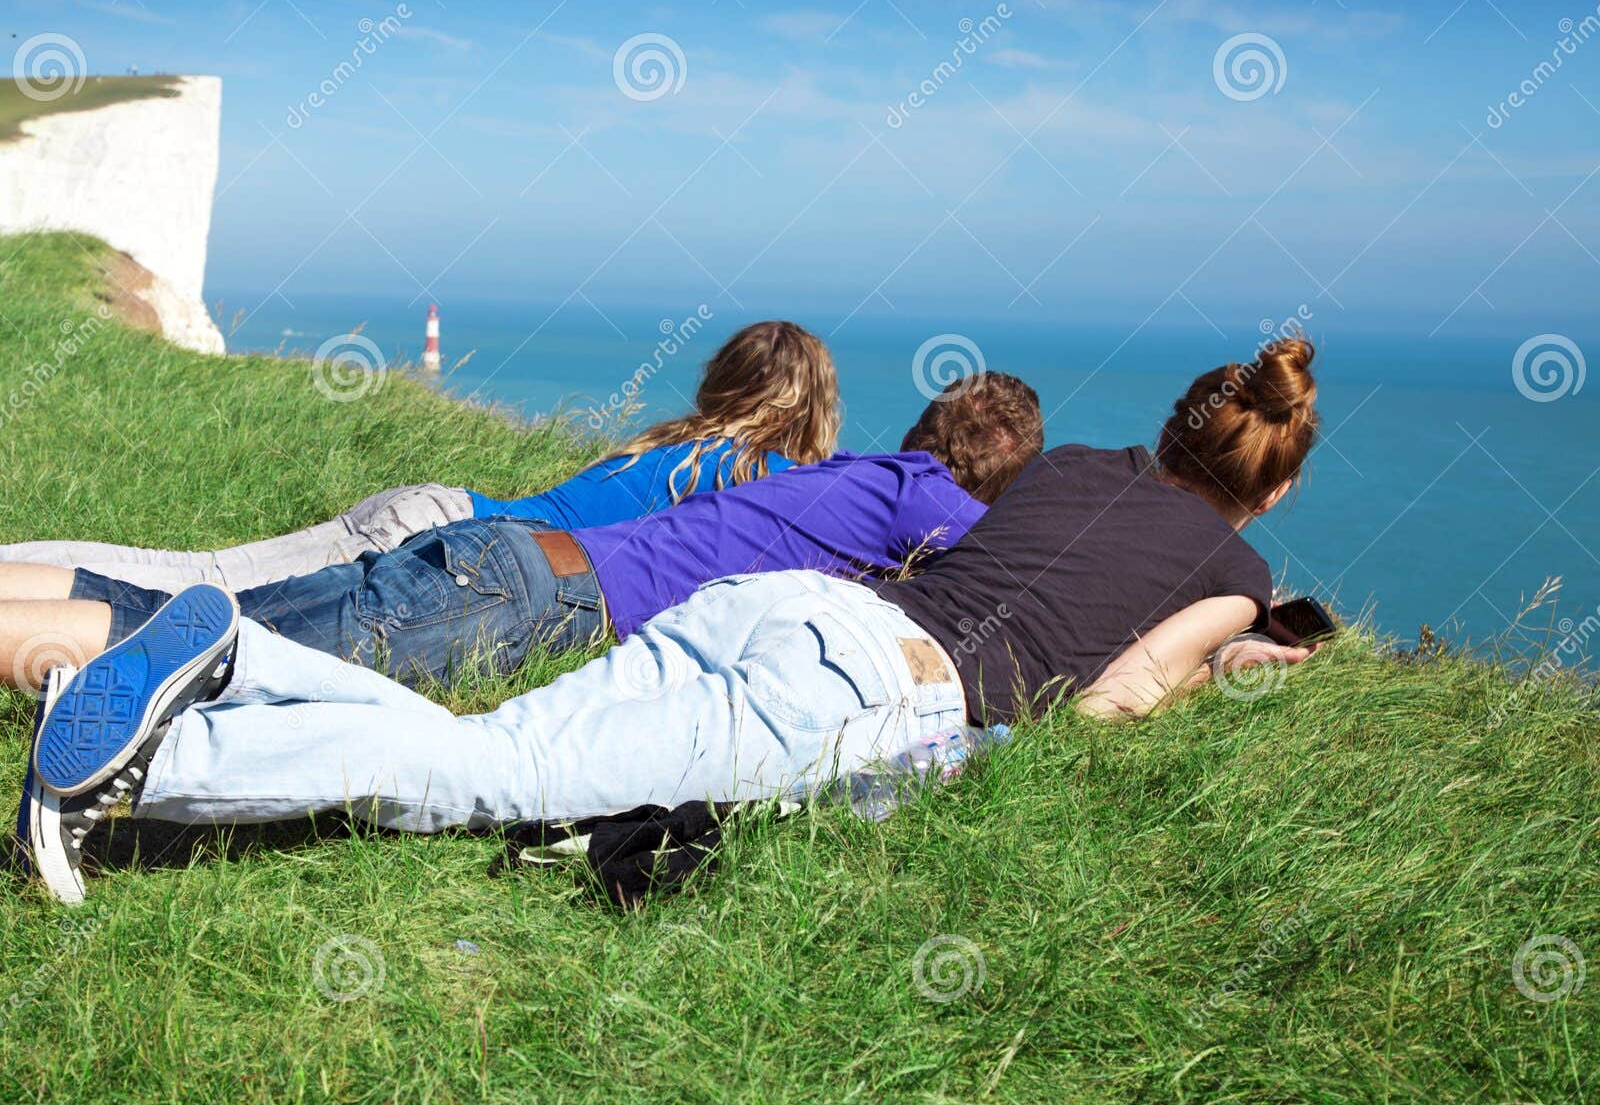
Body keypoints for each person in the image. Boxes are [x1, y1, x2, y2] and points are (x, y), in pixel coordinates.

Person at [20, 340, 1324, 905]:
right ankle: (135, 771)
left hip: (781, 611)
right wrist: (1233, 657)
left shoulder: (1072, 464)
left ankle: (230, 653)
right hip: (876, 684)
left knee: (508, 756)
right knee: (489, 773)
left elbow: (1039, 570)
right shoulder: (1234, 573)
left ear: (1178, 428)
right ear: (1277, 483)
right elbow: (1114, 702)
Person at [0, 374, 1045, 691]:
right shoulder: (926, 503)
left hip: (488, 555)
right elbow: (1026, 567)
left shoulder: (843, 478)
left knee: (187, 607)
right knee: (209, 652)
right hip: (517, 591)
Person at [0, 320, 841, 590]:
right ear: (815, 406)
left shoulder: (674, 444)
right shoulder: (759, 484)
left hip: (437, 509)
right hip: (441, 538)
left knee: (198, 572)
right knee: (200, 585)